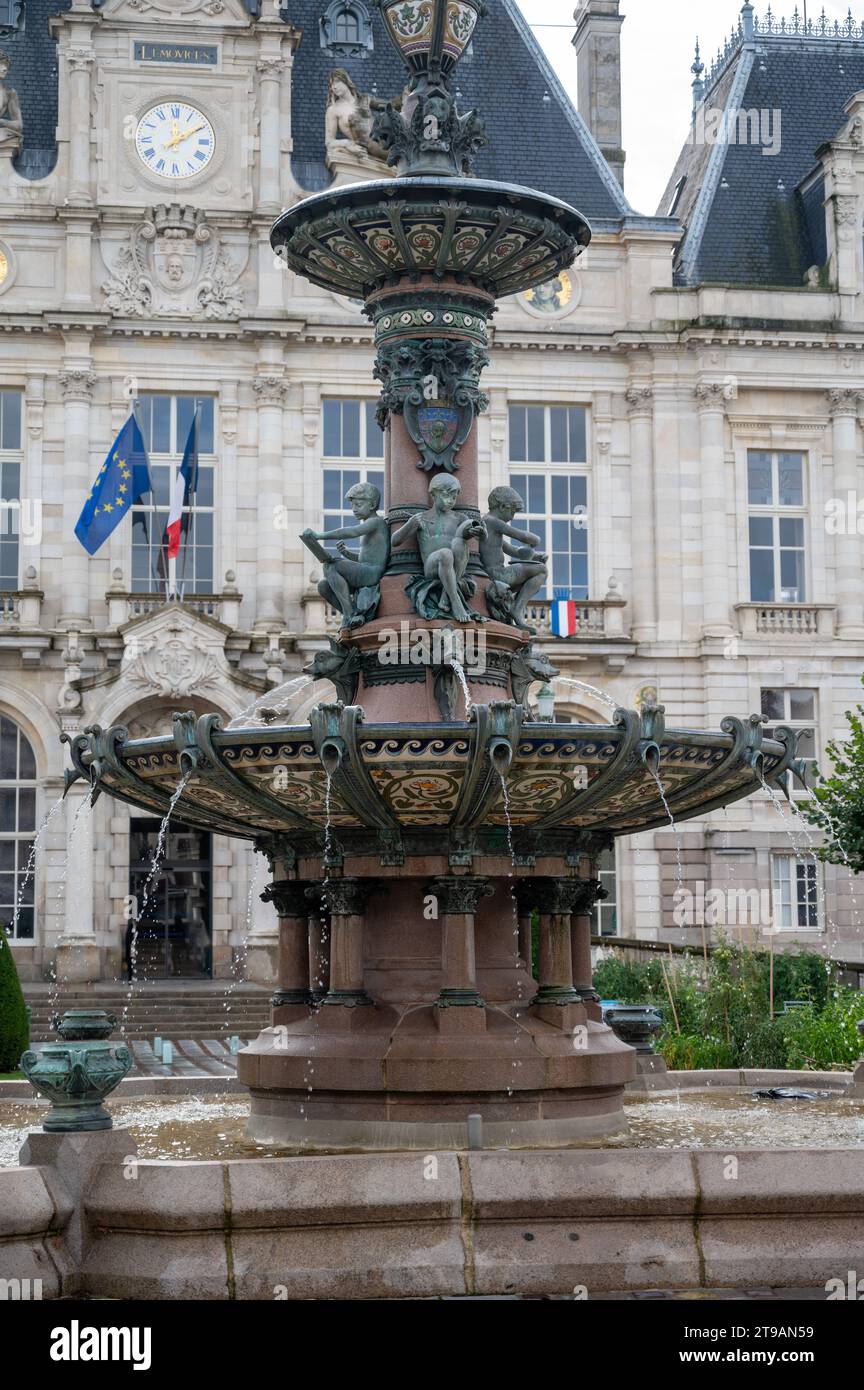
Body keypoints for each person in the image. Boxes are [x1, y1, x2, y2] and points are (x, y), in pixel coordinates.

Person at [393, 475, 485, 623]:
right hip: (432, 566)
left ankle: (446, 593)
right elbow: (395, 541)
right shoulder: (421, 517)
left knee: (458, 544)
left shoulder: (459, 518)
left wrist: (480, 532)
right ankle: (455, 601)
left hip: (455, 566)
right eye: (446, 495)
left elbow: (480, 538)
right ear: (433, 494)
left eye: (454, 497)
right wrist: (410, 525)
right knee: (445, 553)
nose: (450, 500)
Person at [302, 481, 390, 628]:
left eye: (358, 504)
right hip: (367, 570)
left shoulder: (376, 522)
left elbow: (351, 532)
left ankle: (349, 614)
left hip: (373, 573)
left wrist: (319, 535)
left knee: (331, 566)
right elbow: (366, 558)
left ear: (372, 505)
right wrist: (348, 554)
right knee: (323, 586)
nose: (354, 509)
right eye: (352, 505)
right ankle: (352, 613)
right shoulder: (370, 523)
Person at [480, 485, 548, 630]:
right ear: (503, 506)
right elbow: (525, 537)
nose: (512, 517)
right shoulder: (492, 521)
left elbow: (514, 551)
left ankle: (515, 609)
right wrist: (535, 540)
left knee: (535, 572)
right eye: (513, 511)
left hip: (497, 574)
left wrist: (534, 556)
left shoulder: (489, 525)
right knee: (541, 571)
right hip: (497, 575)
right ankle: (517, 610)